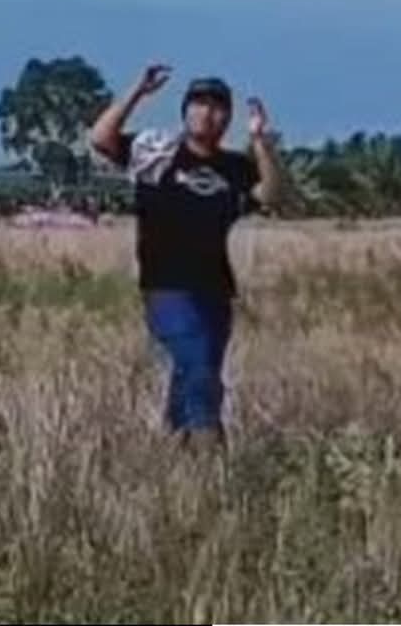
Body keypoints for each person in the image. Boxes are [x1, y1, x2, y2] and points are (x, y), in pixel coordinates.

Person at [89, 64, 285, 443]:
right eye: (198, 104)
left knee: (198, 370)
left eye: (216, 106)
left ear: (227, 118)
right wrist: (137, 92)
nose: (206, 113)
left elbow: (272, 194)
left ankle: (179, 457)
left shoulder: (234, 168)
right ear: (185, 111)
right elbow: (101, 139)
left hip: (215, 290)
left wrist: (261, 142)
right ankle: (209, 453)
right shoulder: (156, 154)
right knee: (197, 368)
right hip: (167, 289)